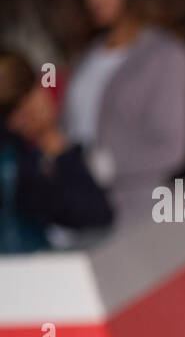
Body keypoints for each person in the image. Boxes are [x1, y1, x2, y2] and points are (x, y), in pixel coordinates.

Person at [62, 0, 185, 227]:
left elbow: (172, 147)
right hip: (76, 207)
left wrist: (104, 164)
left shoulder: (167, 55)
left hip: (136, 212)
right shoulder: (86, 55)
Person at [0, 50, 112, 253]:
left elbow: (96, 214)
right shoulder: (16, 163)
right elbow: (93, 212)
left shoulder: (28, 157)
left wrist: (54, 145)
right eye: (14, 111)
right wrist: (53, 143)